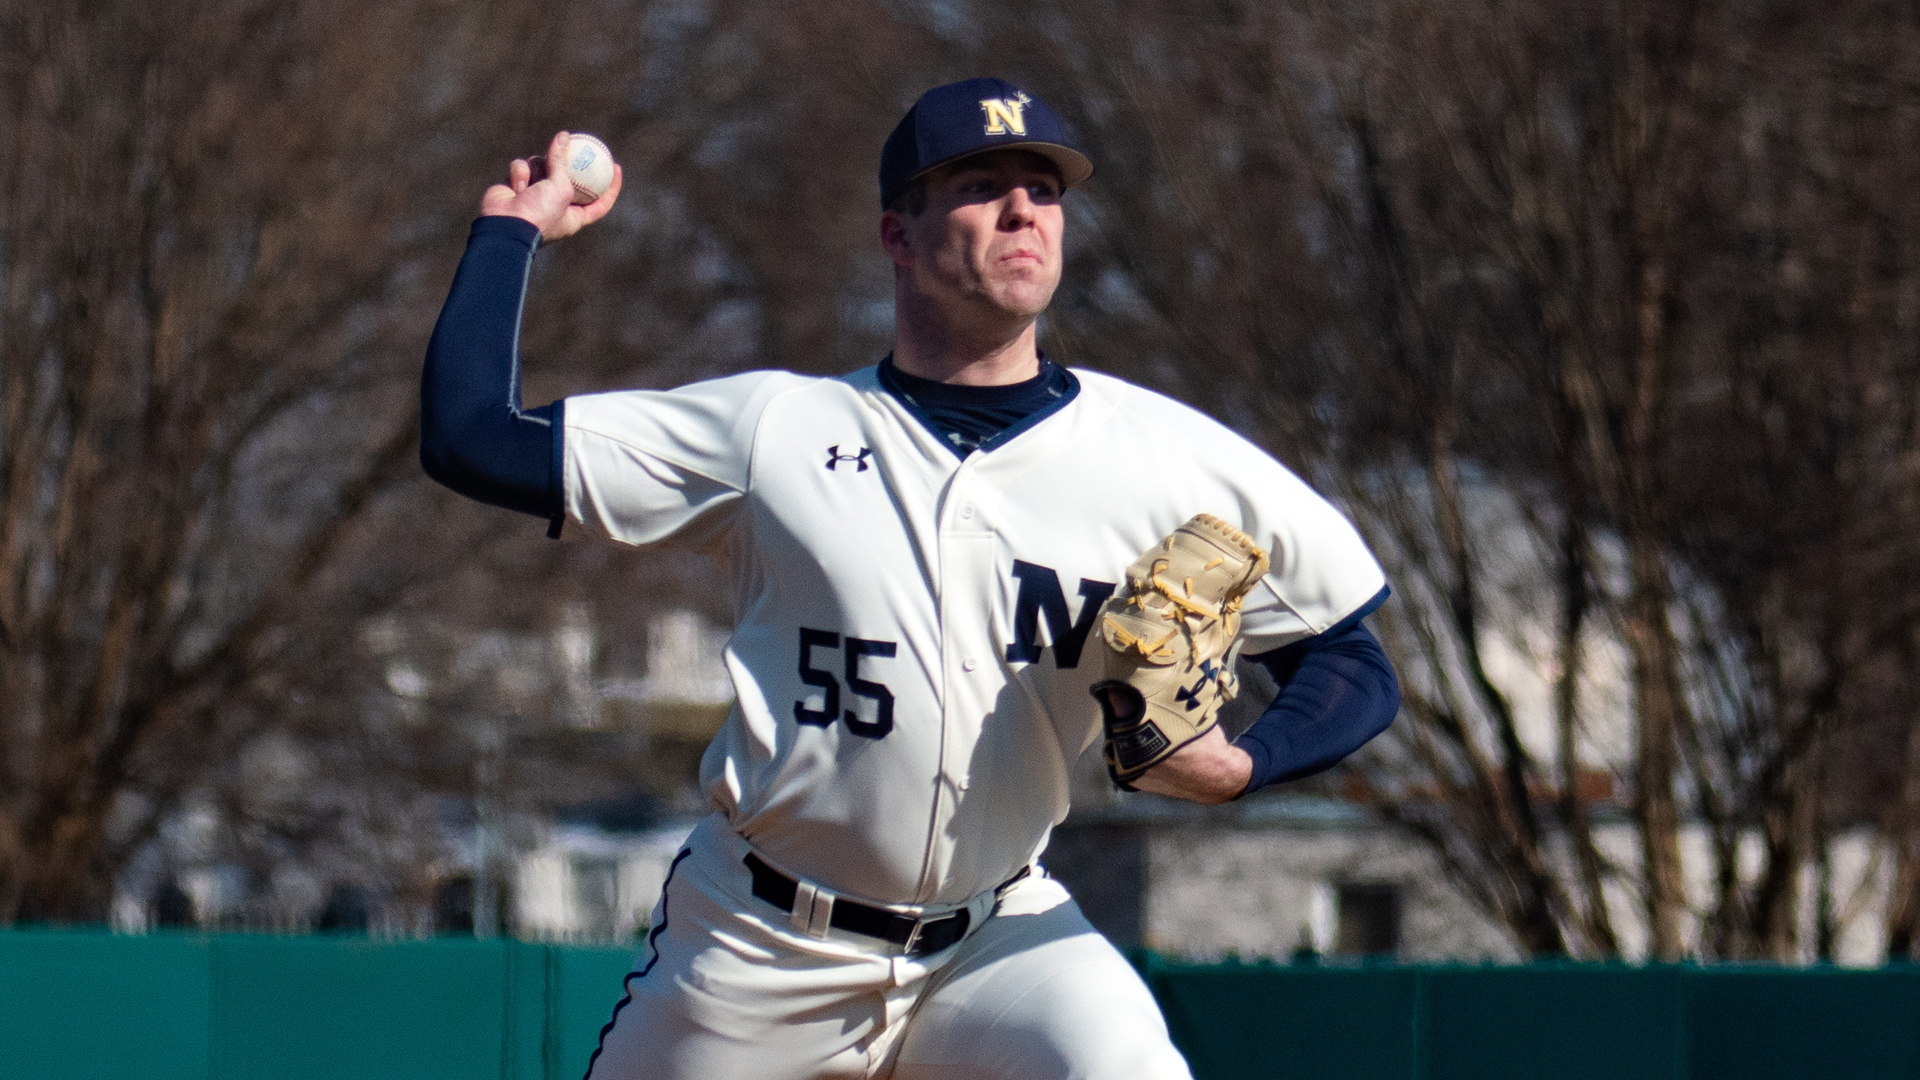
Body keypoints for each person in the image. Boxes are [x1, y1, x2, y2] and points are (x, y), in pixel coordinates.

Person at [422, 77, 1400, 1080]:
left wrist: (1245, 763)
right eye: (981, 184)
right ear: (898, 236)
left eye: (1044, 187)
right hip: (764, 945)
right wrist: (510, 237)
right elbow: (471, 438)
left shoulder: (1163, 460)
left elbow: (1355, 660)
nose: (1025, 207)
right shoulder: (778, 434)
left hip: (995, 939)